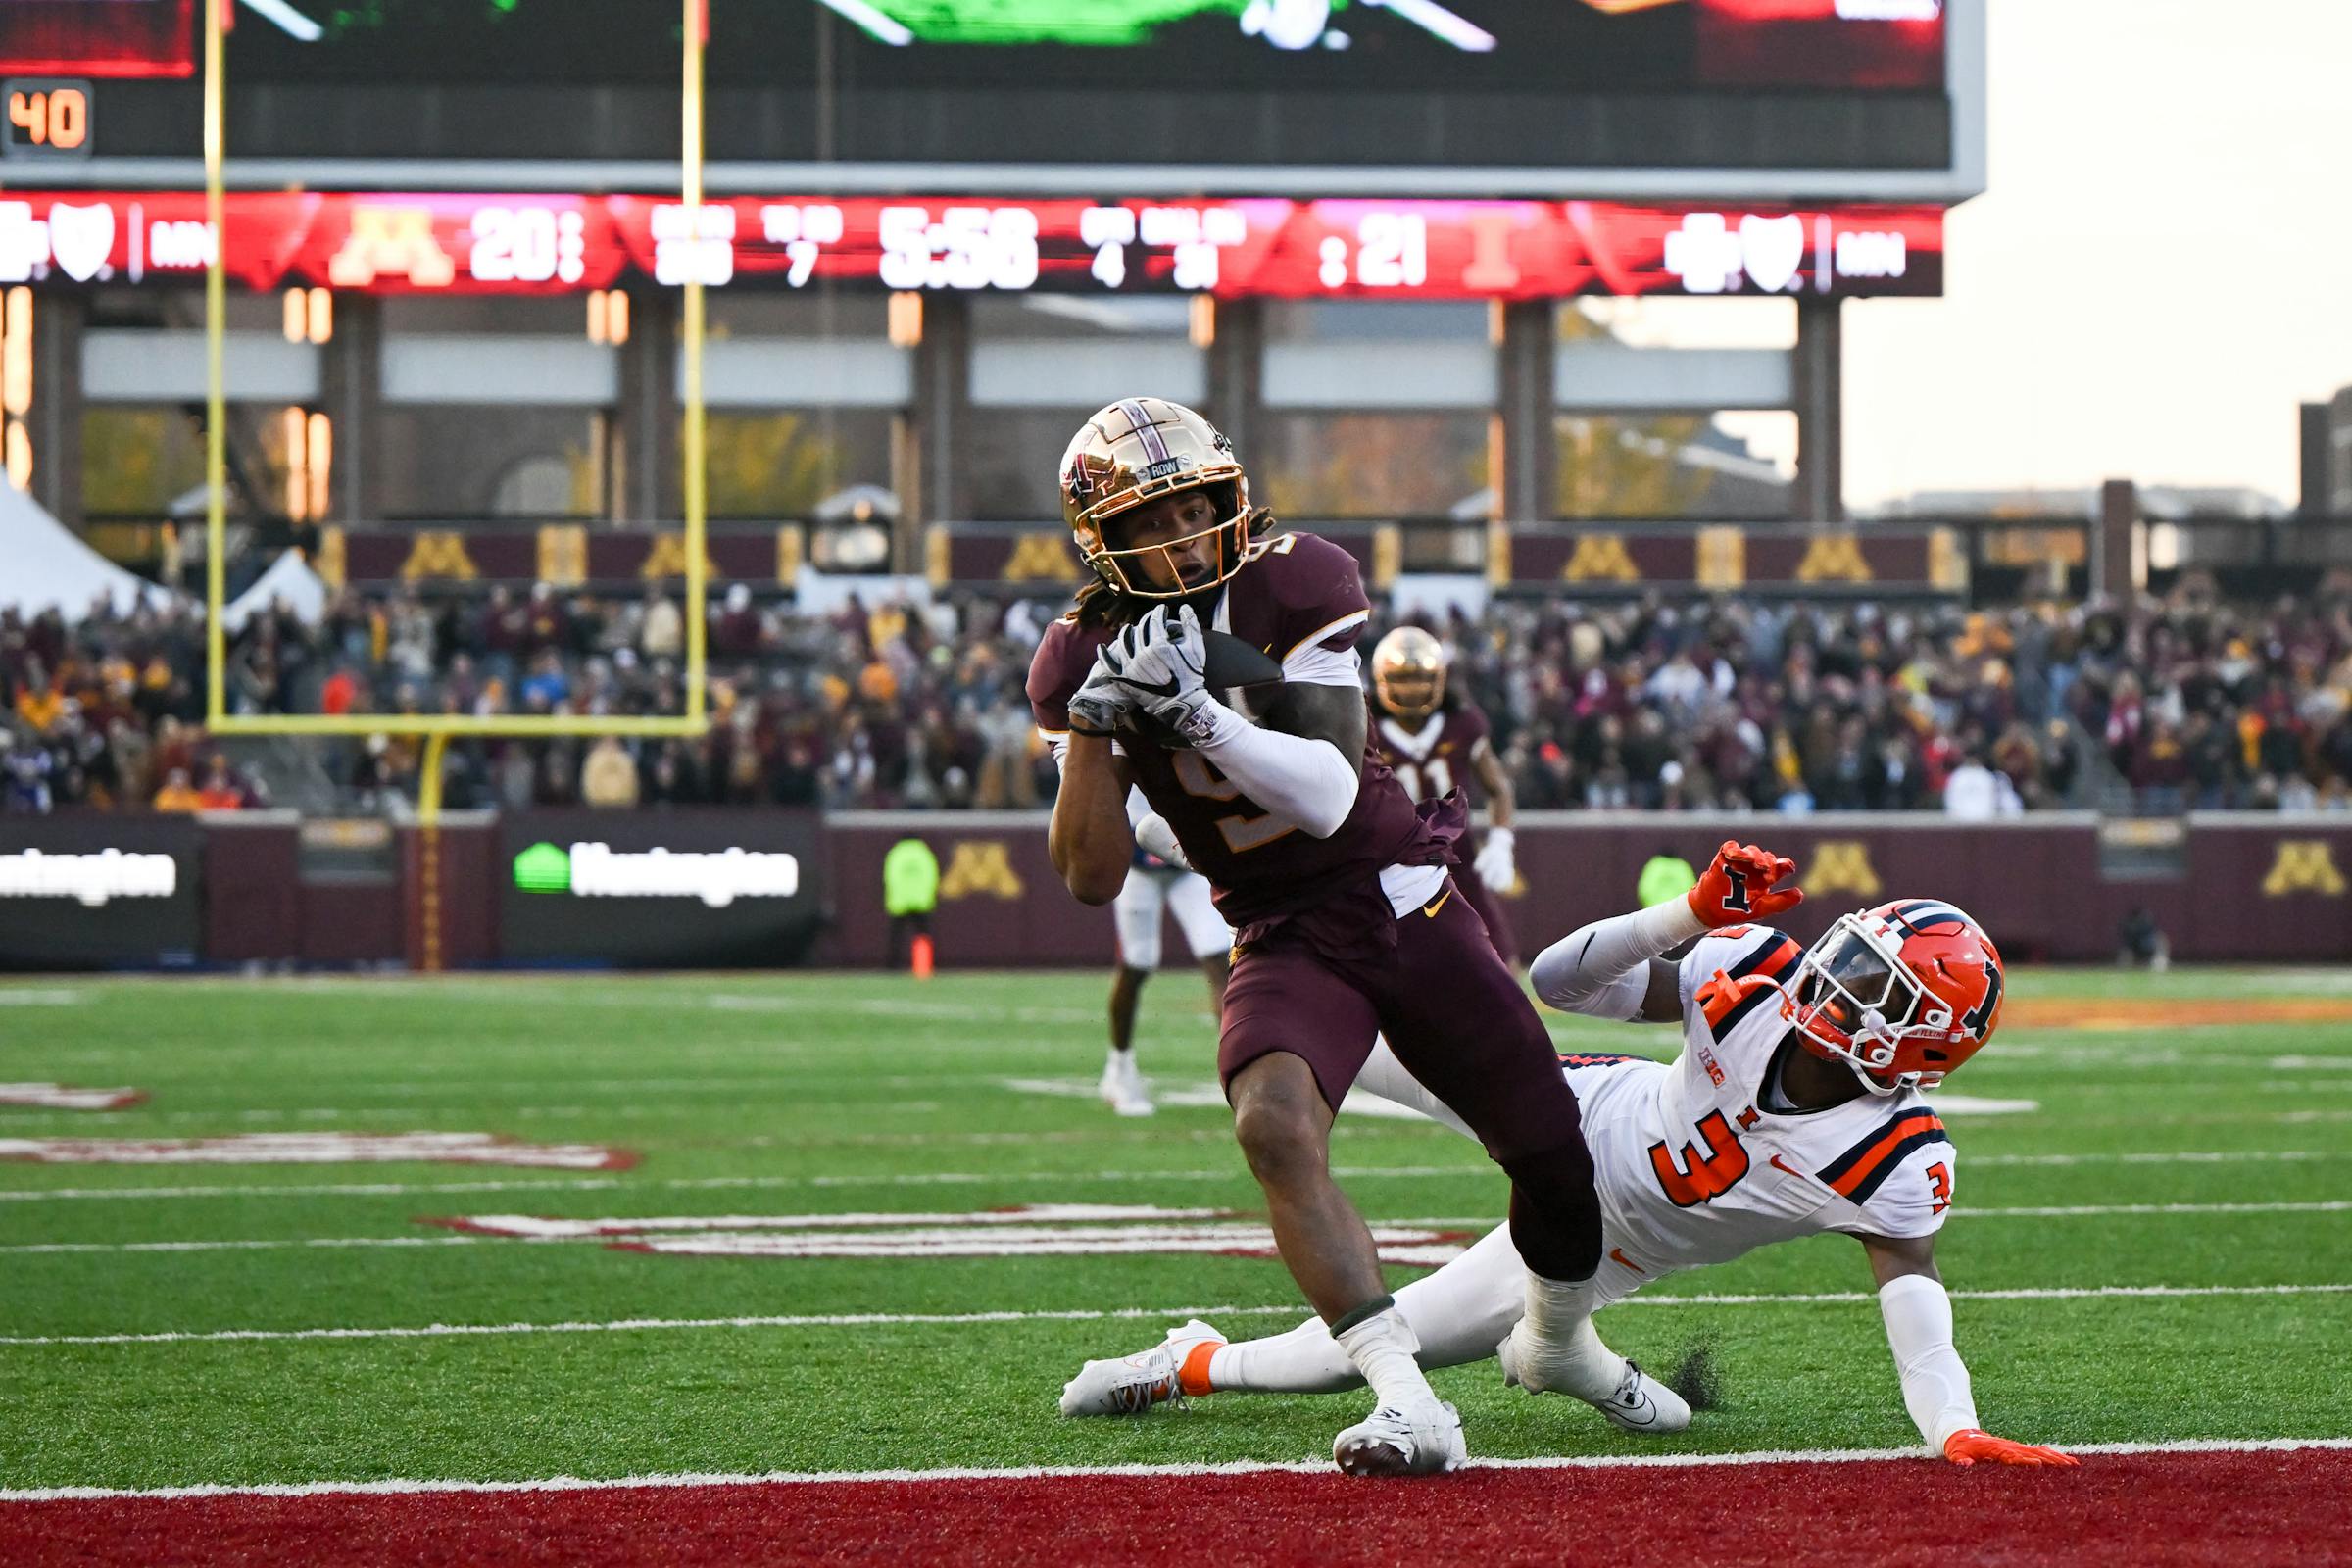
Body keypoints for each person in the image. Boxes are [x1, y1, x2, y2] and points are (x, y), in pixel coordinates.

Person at [1061, 847, 2076, 1471]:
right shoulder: (1756, 972)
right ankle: (1221, 862)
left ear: (1921, 1043)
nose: (1840, 979)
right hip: (1569, 1106)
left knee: (1351, 1352)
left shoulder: (1896, 1156)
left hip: (1605, 1250)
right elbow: (1557, 981)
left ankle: (1190, 1360)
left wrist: (1953, 1425)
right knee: (1324, 1035)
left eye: (1879, 989)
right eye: (1854, 957)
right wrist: (1687, 916)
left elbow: (1914, 1300)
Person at [1028, 397, 1609, 1477]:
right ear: (1103, 542)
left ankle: (1563, 1341)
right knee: (1272, 1123)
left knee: (1554, 1160)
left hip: (1395, 897)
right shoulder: (1077, 656)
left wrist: (1197, 713)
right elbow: (1089, 874)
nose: (1182, 538)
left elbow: (1333, 796)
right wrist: (1095, 731)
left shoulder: (1294, 582)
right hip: (1279, 929)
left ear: (1229, 498)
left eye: (1193, 509)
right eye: (1151, 522)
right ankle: (1407, 1399)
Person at [1366, 626, 1520, 966]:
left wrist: (1501, 840)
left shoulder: (1462, 722)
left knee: (1498, 961)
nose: (1412, 689)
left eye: (1420, 678)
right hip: (1390, 865)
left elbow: (1498, 787)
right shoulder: (1364, 724)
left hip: (1455, 859)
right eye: (1402, 679)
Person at [1102, 843, 1230, 1117]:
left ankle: (1237, 1067)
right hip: (1137, 868)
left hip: (1188, 866)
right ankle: (1119, 1069)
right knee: (1137, 964)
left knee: (1220, 961)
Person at [882, 835, 940, 973]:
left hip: (900, 900)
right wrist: (928, 896)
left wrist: (893, 896)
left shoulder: (896, 853)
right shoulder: (924, 853)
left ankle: (893, 965)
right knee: (923, 936)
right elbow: (932, 876)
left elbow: (889, 876)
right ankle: (924, 966)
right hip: (921, 900)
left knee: (896, 936)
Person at [1636, 845, 1699, 910]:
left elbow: (1645, 889)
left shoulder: (1654, 866)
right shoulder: (1682, 867)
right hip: (1677, 911)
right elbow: (1690, 889)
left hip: (1655, 909)